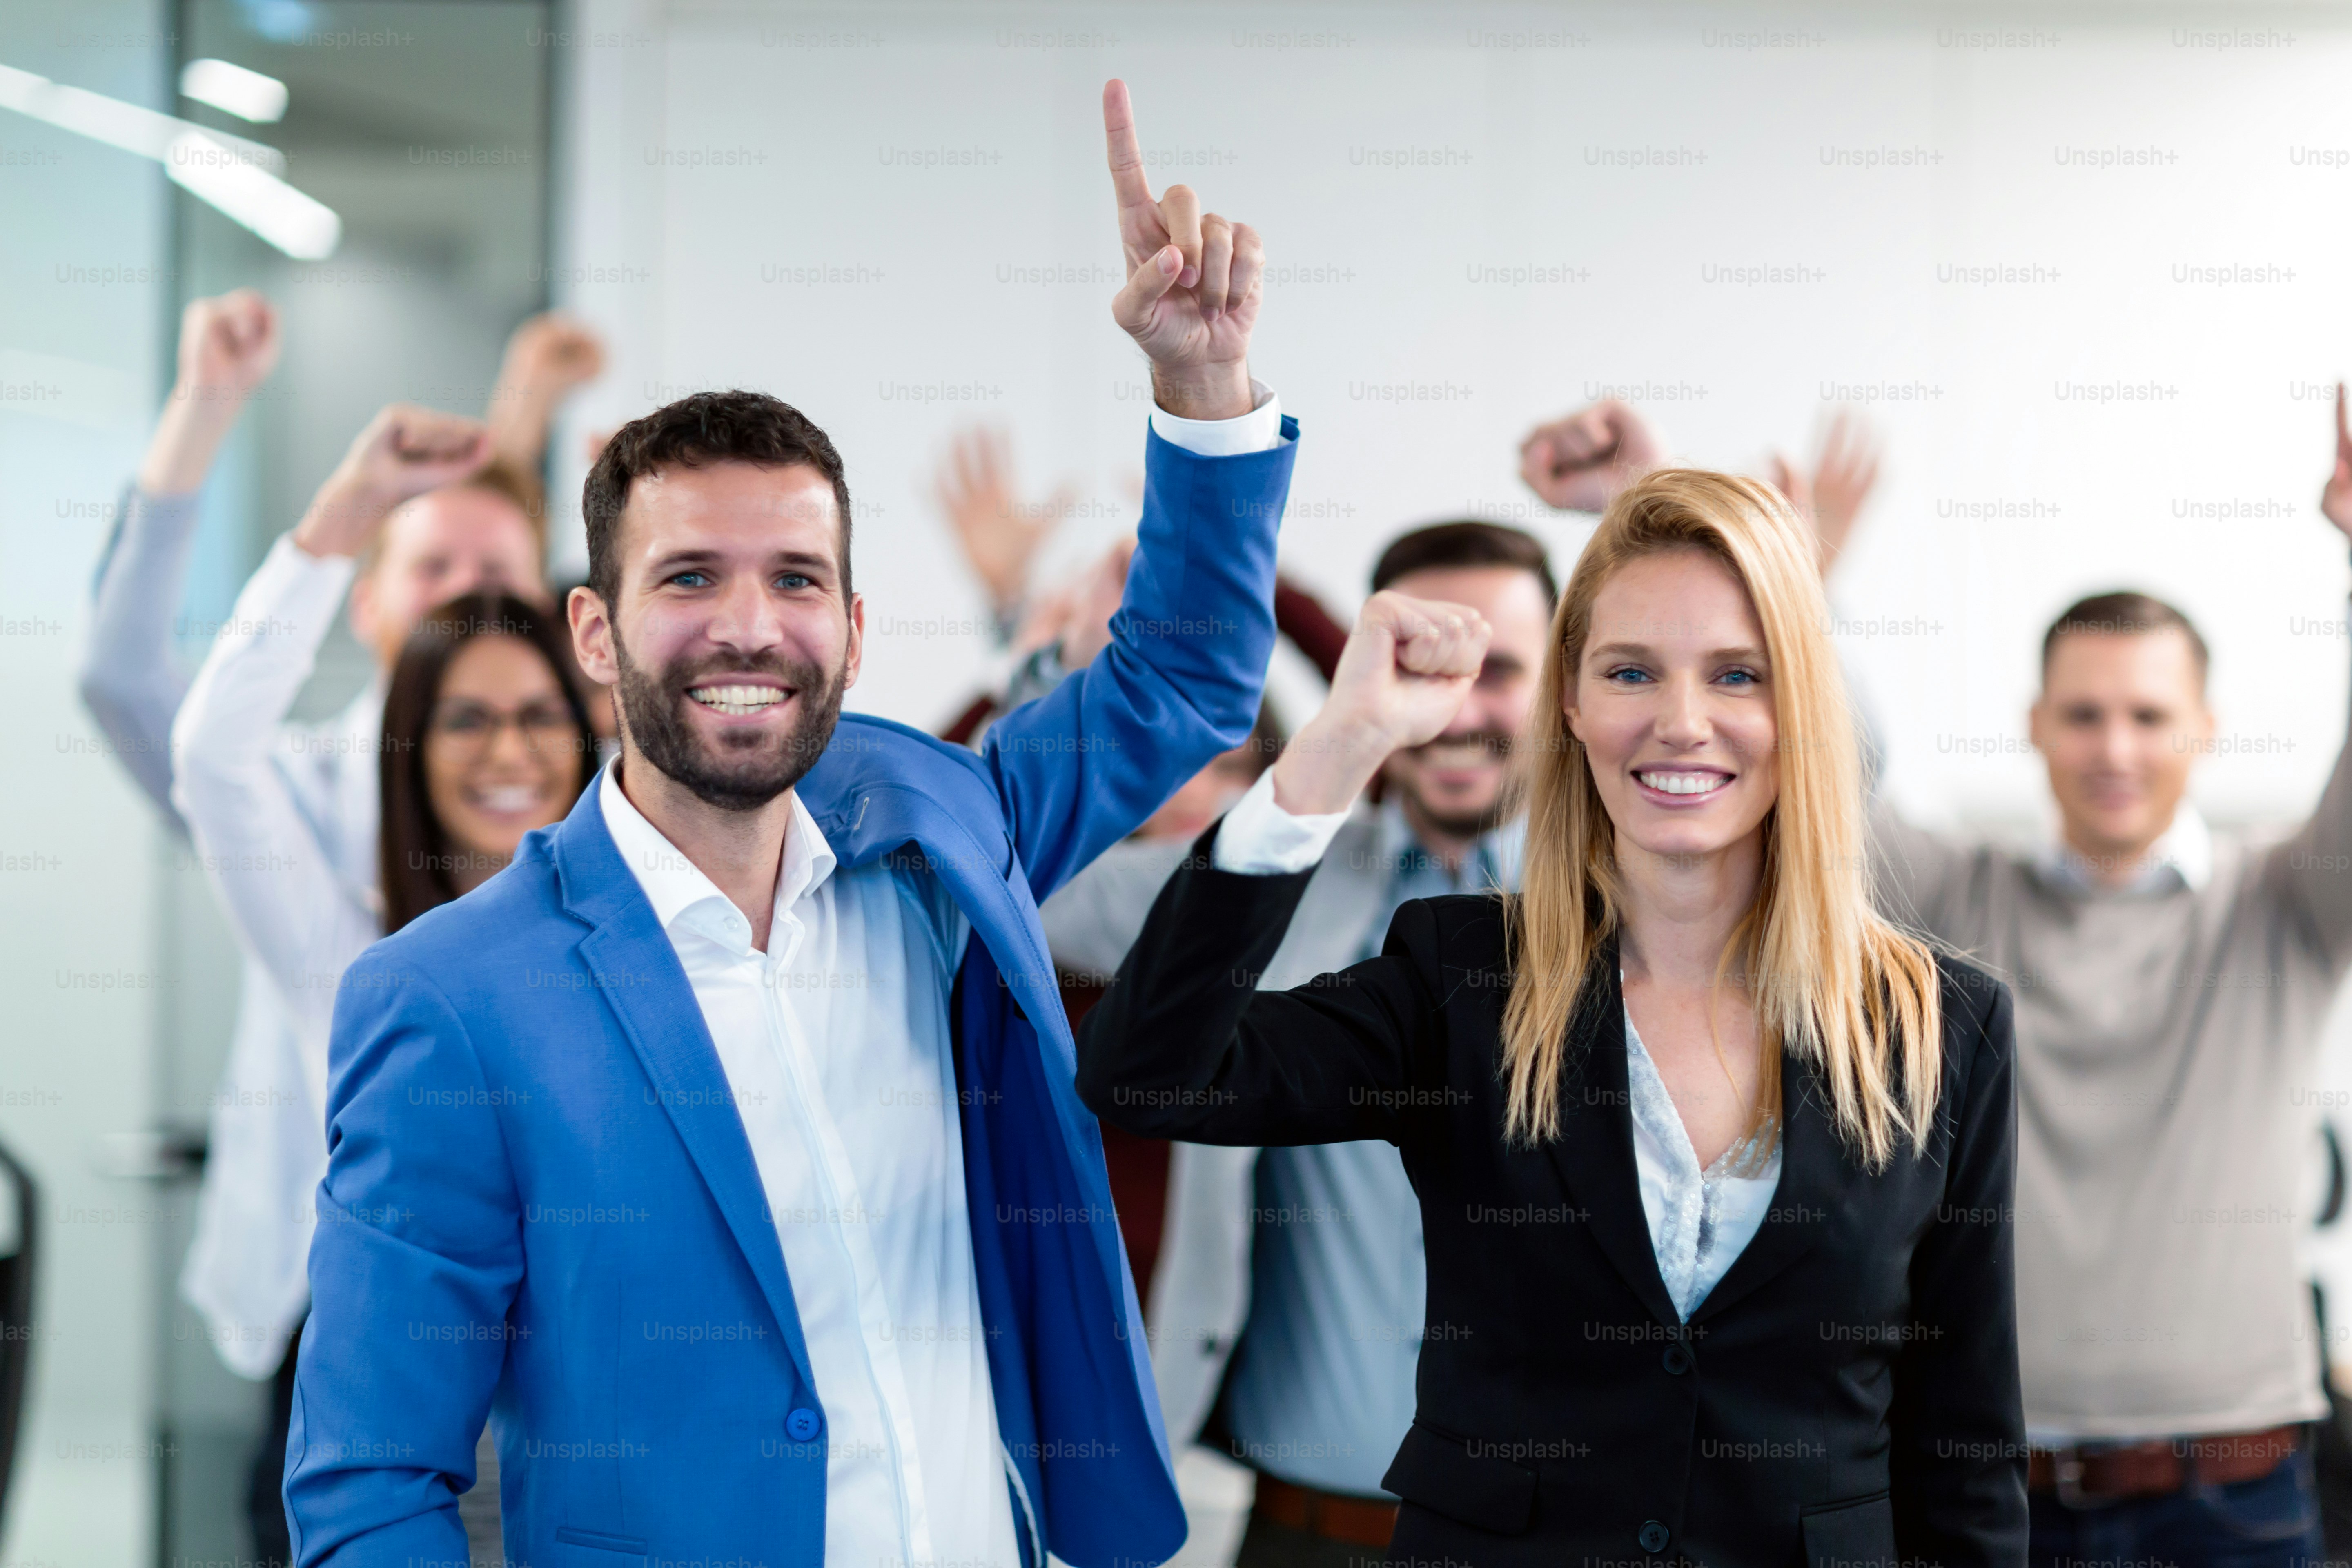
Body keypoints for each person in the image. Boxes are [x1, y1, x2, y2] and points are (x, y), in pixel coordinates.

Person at [282, 80, 1303, 1568]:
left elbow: (1188, 675)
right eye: (689, 577)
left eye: (797, 579)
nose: (748, 628)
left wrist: (1202, 390)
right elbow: (372, 1485)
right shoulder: (450, 1001)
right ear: (594, 630)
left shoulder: (947, 833)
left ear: (857, 622)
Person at [1078, 468, 2026, 1564]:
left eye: (1738, 674)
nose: (1681, 723)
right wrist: (1338, 744)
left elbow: (1966, 1447)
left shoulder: (1942, 1026)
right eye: (1631, 671)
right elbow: (1147, 1075)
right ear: (1569, 704)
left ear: (1804, 703)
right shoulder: (1460, 976)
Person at [77, 293, 601, 1566]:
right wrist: (255, 441)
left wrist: (521, 415)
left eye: (500, 583)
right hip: (355, 1322)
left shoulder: (611, 851)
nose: (469, 611)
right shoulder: (316, 851)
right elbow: (149, 697)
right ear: (364, 601)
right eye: (432, 574)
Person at [1840, 389, 2352, 1564]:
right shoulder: (1956, 900)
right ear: (2034, 724)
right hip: (1991, 1496)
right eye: (2083, 714)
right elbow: (1831, 783)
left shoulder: (2287, 906)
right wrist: (1800, 596)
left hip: (2232, 1501)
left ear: (2205, 728)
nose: (2114, 748)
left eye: (2147, 714)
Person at [1042, 518, 1566, 1563]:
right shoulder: (1271, 868)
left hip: (1565, 1533)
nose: (1459, 707)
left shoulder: (1641, 901)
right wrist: (1069, 678)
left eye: (1498, 669)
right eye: (1428, 667)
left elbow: (1836, 797)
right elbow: (1031, 887)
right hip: (1306, 1530)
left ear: (1565, 687)